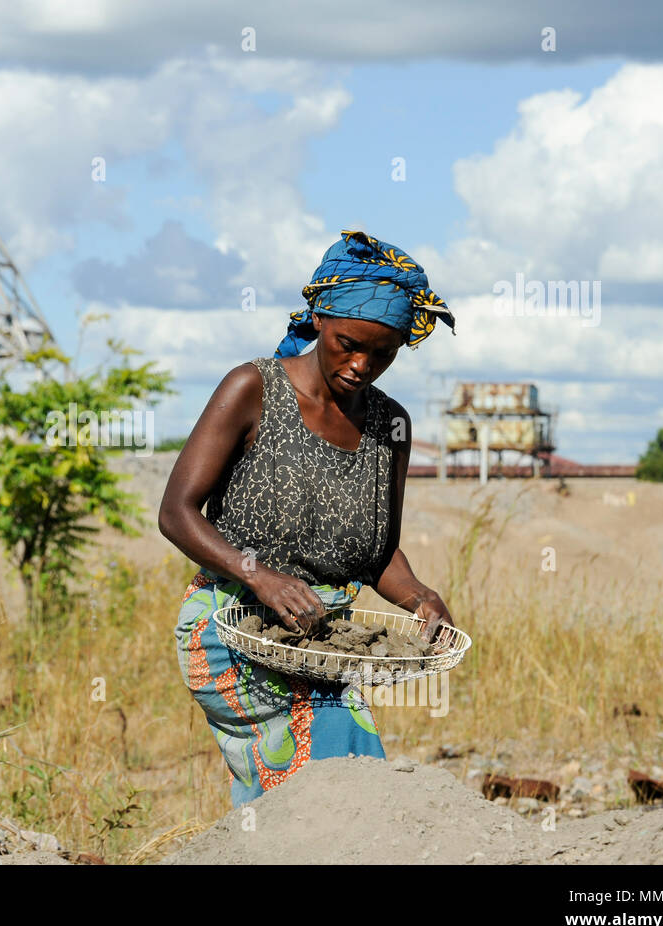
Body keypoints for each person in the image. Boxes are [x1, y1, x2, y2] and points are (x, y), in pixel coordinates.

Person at [158, 229, 455, 807]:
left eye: (383, 353)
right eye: (348, 343)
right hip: (234, 625)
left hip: (325, 639)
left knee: (350, 783)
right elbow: (176, 511)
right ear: (319, 318)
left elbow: (376, 551)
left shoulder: (389, 426)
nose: (361, 365)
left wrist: (419, 596)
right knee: (325, 786)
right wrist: (259, 575)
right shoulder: (254, 388)